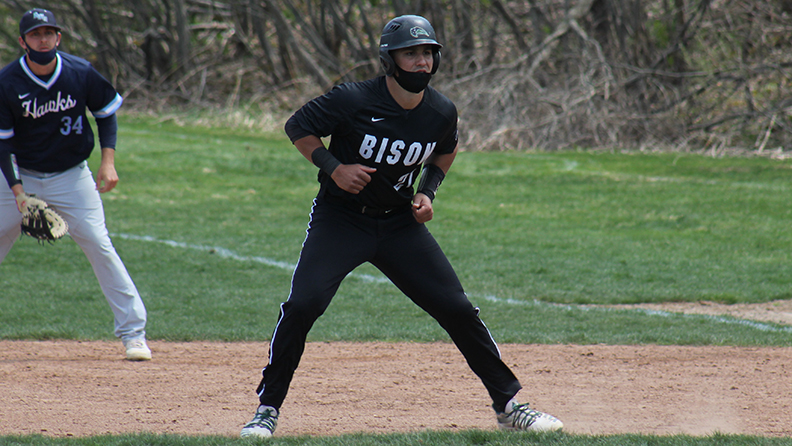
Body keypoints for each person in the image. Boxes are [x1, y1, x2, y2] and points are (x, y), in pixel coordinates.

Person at [240, 14, 562, 438]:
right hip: (342, 221)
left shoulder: (441, 111)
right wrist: (334, 167)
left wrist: (428, 191)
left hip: (399, 227)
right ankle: (268, 408)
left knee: (458, 309)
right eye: (411, 53)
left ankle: (508, 406)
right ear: (390, 59)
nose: (422, 62)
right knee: (302, 306)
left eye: (428, 53)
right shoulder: (353, 100)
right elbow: (298, 127)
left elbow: (445, 150)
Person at [0, 9, 150, 361]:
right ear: (23, 42)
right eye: (36, 35)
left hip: (71, 176)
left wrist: (108, 161)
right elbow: (3, 143)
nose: (43, 40)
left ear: (58, 38)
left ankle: (134, 334)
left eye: (49, 33)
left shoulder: (79, 72)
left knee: (100, 244)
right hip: (17, 177)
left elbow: (106, 112)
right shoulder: (7, 82)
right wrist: (19, 193)